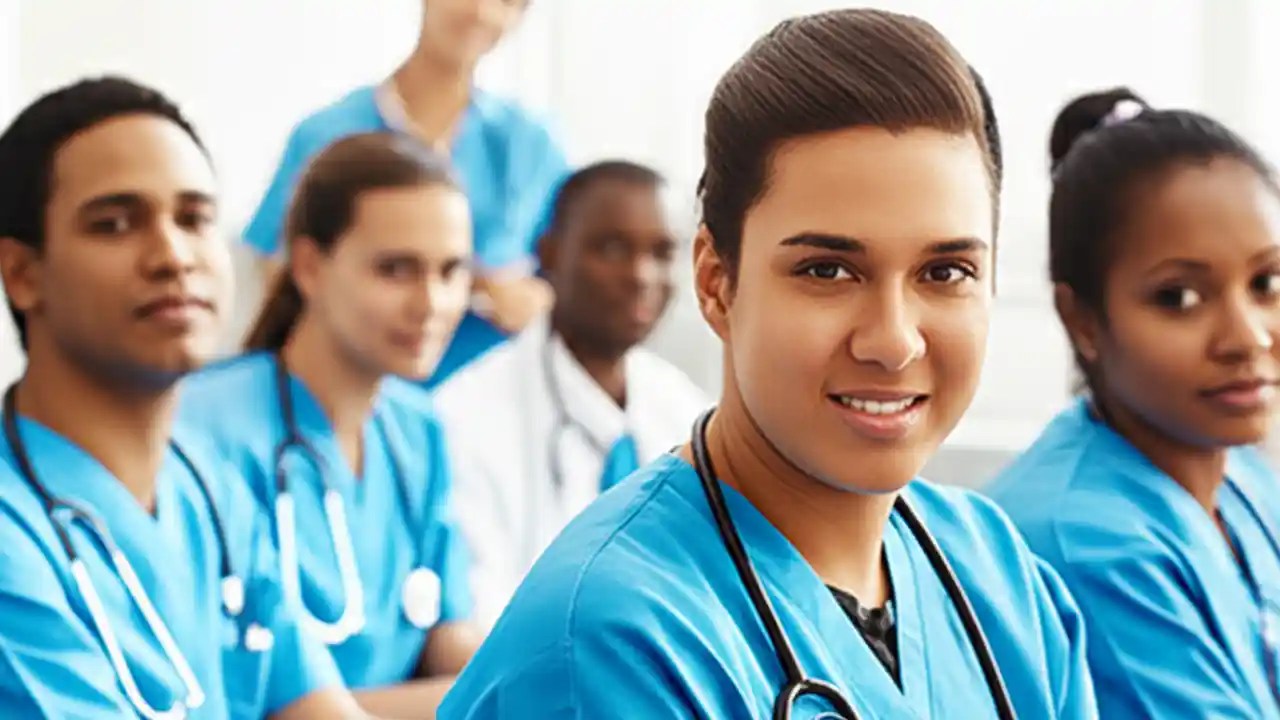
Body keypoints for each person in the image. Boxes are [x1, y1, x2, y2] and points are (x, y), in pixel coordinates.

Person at [437, 9, 1097, 719]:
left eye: (946, 272)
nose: (894, 341)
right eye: (827, 270)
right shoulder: (610, 646)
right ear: (717, 282)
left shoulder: (1002, 583)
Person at [0, 77, 370, 719]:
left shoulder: (212, 491)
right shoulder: (14, 533)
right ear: (23, 275)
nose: (174, 255)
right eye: (114, 224)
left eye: (195, 218)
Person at [986, 88, 1280, 719]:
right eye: (1178, 298)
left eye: (1268, 283)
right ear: (1083, 320)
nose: (1248, 336)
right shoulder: (1086, 543)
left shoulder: (1241, 478)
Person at [178, 132, 479, 718]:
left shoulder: (419, 430)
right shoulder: (203, 427)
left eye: (451, 271)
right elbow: (247, 698)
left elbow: (450, 632)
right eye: (396, 270)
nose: (432, 302)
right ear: (309, 265)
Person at [433, 160, 709, 629]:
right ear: (551, 256)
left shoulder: (687, 412)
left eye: (662, 252)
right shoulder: (463, 418)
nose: (641, 275)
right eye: (613, 248)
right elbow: (481, 622)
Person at [244, 0, 568, 389]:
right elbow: (278, 273)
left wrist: (537, 300)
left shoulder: (529, 145)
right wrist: (479, 283)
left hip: (492, 394)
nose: (481, 12)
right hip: (350, 389)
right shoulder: (326, 134)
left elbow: (568, 279)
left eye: (507, 2)